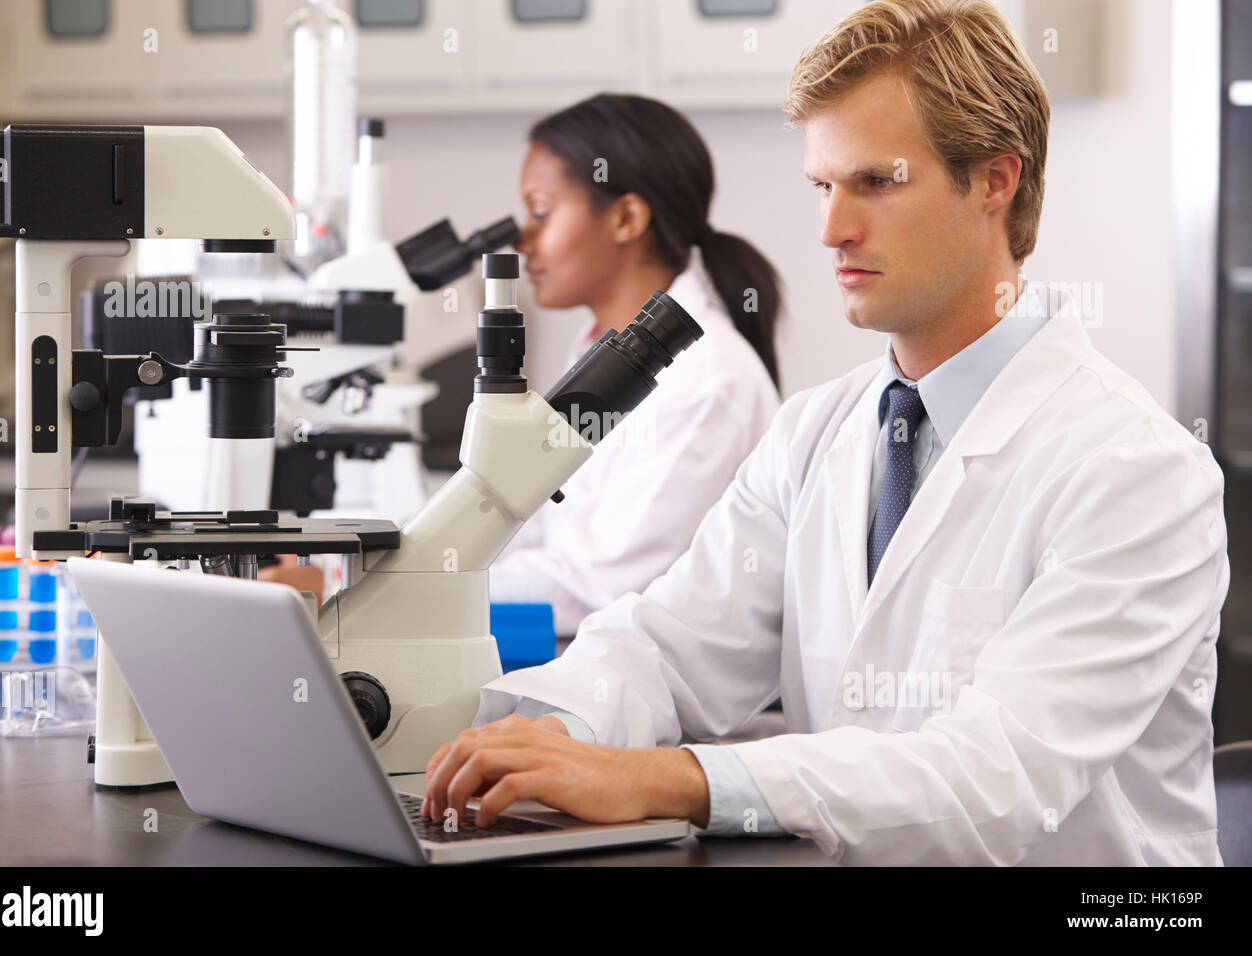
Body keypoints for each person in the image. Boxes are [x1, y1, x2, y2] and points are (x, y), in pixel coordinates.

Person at [422, 0, 1229, 866]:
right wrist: (517, 739)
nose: (832, 228)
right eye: (823, 185)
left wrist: (677, 779)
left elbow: (997, 777)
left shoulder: (1138, 471)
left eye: (876, 182)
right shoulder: (818, 431)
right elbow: (664, 647)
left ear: (995, 180)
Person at [488, 94, 782, 638]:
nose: (521, 241)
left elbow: (598, 588)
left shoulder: (708, 379)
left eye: (541, 213)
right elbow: (529, 526)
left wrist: (410, 592)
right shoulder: (596, 352)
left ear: (625, 217)